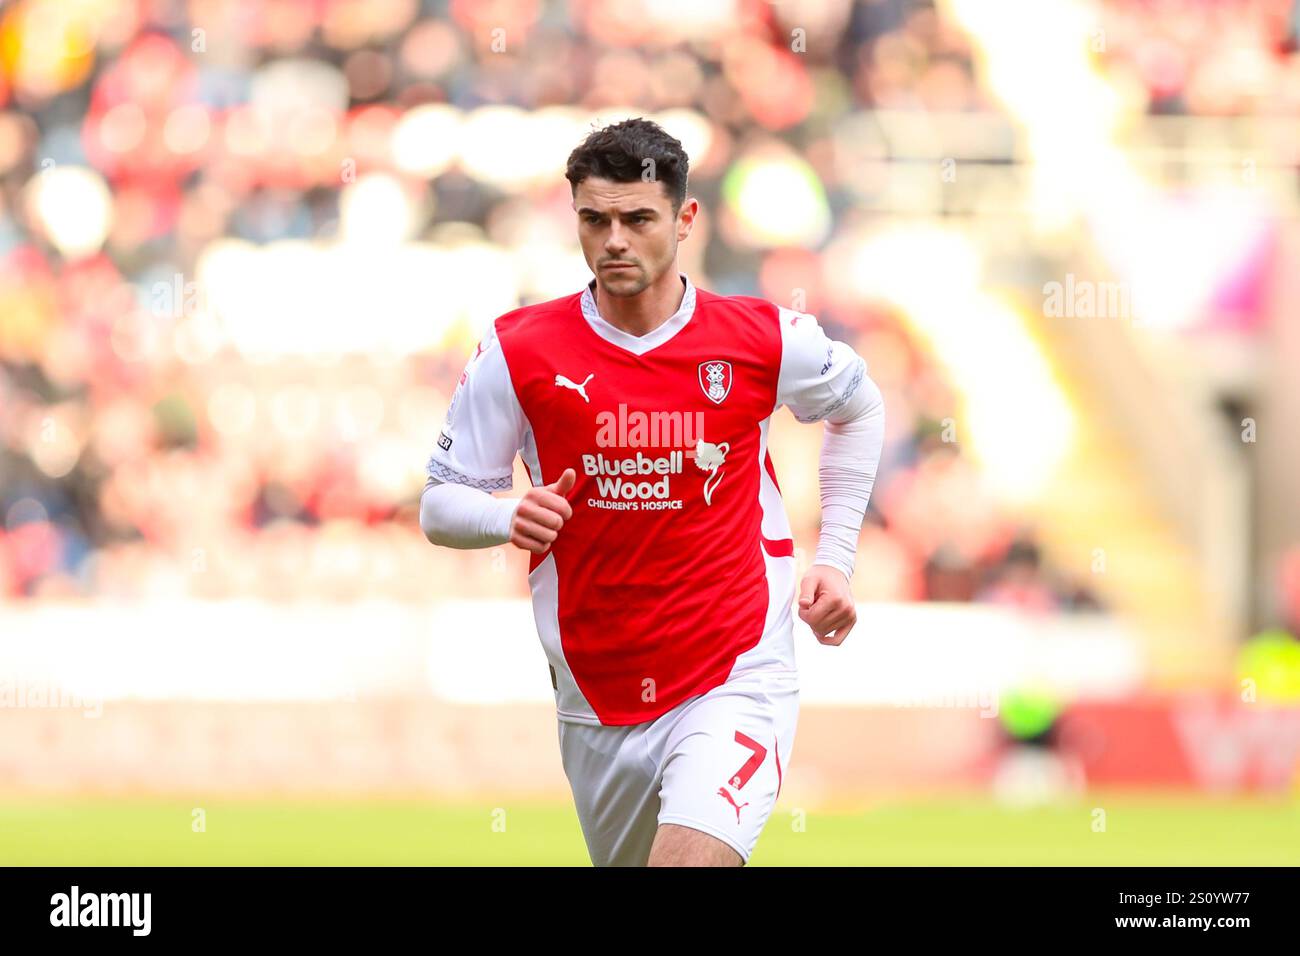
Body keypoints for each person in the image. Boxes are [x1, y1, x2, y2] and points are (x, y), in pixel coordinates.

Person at [420, 117, 885, 866]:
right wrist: (506, 514)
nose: (614, 240)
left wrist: (835, 556)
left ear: (684, 219)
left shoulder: (762, 337)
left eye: (638, 219)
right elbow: (440, 506)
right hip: (595, 698)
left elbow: (860, 407)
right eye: (594, 220)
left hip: (734, 671)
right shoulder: (520, 349)